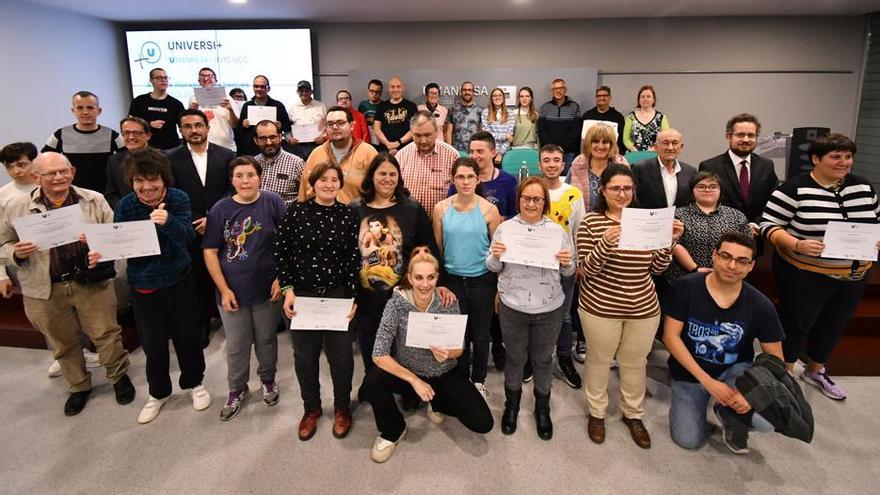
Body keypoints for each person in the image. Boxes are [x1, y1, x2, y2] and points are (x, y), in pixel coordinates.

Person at [0, 152, 134, 416]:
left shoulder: (93, 199)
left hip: (91, 281)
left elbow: (113, 235)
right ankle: (78, 385)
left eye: (63, 171)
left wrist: (99, 247)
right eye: (50, 173)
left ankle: (119, 377)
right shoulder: (16, 206)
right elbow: (2, 243)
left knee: (106, 333)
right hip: (44, 286)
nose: (59, 177)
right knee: (62, 341)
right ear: (36, 176)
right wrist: (16, 252)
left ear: (72, 171)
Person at [760, 133, 879, 401]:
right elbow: (768, 226)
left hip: (854, 274)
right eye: (835, 156)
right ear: (816, 159)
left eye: (848, 157)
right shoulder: (793, 189)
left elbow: (876, 221)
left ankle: (816, 369)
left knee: (833, 324)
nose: (844, 162)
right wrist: (795, 243)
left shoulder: (863, 187)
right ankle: (786, 373)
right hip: (806, 275)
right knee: (797, 324)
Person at [576, 163, 683, 449]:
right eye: (615, 188)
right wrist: (606, 244)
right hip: (600, 306)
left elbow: (658, 268)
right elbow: (585, 270)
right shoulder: (591, 222)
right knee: (599, 361)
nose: (622, 194)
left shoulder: (646, 220)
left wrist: (670, 241)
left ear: (634, 190)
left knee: (635, 362)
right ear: (604, 190)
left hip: (643, 307)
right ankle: (597, 413)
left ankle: (633, 414)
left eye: (627, 188)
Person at [361, 248, 493, 463]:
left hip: (444, 371)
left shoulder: (448, 301)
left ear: (437, 278)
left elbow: (460, 349)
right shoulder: (396, 303)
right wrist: (414, 381)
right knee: (372, 382)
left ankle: (436, 402)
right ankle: (393, 431)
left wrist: (448, 353)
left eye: (430, 277)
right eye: (419, 278)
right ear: (410, 278)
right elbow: (379, 354)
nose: (425, 284)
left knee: (483, 423)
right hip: (409, 372)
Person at [109, 148, 208, 424]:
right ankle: (159, 392)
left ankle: (194, 383)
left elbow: (189, 238)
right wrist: (99, 252)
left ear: (164, 179)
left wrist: (169, 223)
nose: (147, 187)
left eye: (152, 180)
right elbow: (119, 243)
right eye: (140, 181)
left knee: (187, 336)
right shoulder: (126, 205)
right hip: (143, 284)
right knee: (153, 343)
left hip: (179, 279)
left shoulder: (178, 199)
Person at [663, 232, 784, 454]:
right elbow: (670, 337)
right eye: (726, 256)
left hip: (735, 371)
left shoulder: (761, 305)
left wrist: (752, 394)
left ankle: (728, 412)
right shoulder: (685, 287)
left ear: (751, 266)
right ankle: (711, 404)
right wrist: (708, 382)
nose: (732, 265)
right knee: (688, 440)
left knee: (767, 421)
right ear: (714, 256)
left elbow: (776, 359)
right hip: (690, 373)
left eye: (742, 261)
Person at [275, 161, 360, 441]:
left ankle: (341, 408)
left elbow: (352, 260)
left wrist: (352, 297)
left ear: (340, 183)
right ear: (313, 183)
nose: (328, 184)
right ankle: (311, 408)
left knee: (342, 358)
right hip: (304, 296)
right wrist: (288, 289)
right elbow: (282, 253)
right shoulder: (297, 212)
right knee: (305, 358)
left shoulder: (348, 215)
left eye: (333, 179)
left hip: (337, 295)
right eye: (322, 179)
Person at [487, 177, 576, 440]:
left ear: (544, 202)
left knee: (543, 359)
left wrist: (566, 262)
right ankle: (511, 406)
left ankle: (542, 408)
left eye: (537, 199)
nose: (532, 203)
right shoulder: (506, 229)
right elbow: (491, 267)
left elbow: (570, 271)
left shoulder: (557, 232)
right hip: (513, 307)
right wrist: (495, 255)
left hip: (549, 308)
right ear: (519, 200)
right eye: (527, 198)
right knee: (515, 358)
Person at [203, 156, 286, 421]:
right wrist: (224, 290)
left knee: (266, 339)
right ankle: (237, 389)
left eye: (250, 175)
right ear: (232, 179)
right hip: (232, 292)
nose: (245, 180)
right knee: (237, 344)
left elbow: (287, 244)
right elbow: (210, 251)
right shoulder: (221, 209)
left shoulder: (273, 202)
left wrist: (281, 278)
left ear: (259, 176)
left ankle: (268, 380)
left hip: (267, 289)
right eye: (239, 176)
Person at [351, 153, 444, 373]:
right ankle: (373, 387)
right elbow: (347, 252)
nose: (387, 179)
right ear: (371, 176)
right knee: (371, 347)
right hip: (367, 295)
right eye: (382, 173)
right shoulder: (355, 208)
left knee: (405, 347)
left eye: (393, 174)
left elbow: (428, 248)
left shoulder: (411, 208)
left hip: (404, 294)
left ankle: (407, 389)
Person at [433, 157, 503, 399]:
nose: (465, 181)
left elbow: (498, 253)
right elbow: (438, 249)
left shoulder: (489, 210)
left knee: (481, 334)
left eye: (470, 176)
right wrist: (440, 283)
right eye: (460, 177)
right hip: (452, 281)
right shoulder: (441, 208)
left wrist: (497, 289)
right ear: (453, 179)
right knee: (457, 334)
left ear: (478, 178)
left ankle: (479, 380)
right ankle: (460, 380)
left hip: (482, 280)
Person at [167, 108, 236, 346]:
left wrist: (213, 217)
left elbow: (231, 189)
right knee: (196, 279)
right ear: (181, 130)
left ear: (208, 127)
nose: (194, 130)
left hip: (222, 224)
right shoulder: (170, 158)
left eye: (198, 125)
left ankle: (229, 321)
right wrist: (195, 219)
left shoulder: (227, 155)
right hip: (190, 227)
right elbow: (171, 193)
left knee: (226, 273)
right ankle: (202, 324)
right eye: (188, 126)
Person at [538, 144, 584, 388]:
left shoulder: (573, 193)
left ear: (563, 165)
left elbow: (579, 230)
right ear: (540, 165)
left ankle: (564, 358)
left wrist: (578, 262)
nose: (552, 164)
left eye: (556, 159)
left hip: (565, 266)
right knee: (535, 313)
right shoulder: (532, 190)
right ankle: (534, 359)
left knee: (564, 315)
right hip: (537, 265)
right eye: (547, 160)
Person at [699, 113, 779, 232]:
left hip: (757, 234)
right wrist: (737, 227)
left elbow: (774, 201)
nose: (746, 140)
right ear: (728, 136)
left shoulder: (766, 165)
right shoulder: (710, 166)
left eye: (751, 135)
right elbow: (705, 204)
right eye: (740, 135)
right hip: (723, 235)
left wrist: (755, 225)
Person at [667, 172, 751, 282]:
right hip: (685, 277)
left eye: (713, 186)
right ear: (692, 190)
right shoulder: (677, 215)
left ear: (720, 190)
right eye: (701, 186)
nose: (707, 190)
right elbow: (673, 244)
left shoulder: (736, 216)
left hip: (727, 277)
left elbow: (747, 245)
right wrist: (695, 269)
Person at [43, 90, 124, 193]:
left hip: (104, 195)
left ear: (99, 111)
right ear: (73, 111)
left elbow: (126, 162)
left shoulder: (113, 136)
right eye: (80, 108)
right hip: (71, 194)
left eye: (90, 107)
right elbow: (46, 161)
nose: (85, 112)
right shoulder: (59, 135)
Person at [299, 106, 377, 204]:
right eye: (330, 124)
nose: (335, 127)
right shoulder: (316, 154)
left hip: (356, 215)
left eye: (341, 123)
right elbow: (304, 192)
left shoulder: (368, 152)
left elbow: (378, 191)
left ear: (352, 125)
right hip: (319, 216)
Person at [397, 110, 459, 217]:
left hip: (442, 223)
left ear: (436, 131)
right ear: (411, 133)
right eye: (417, 135)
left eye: (427, 135)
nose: (423, 141)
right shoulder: (401, 156)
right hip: (409, 222)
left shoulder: (452, 156)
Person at [450, 132, 518, 219]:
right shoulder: (460, 180)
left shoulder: (509, 181)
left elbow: (515, 215)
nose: (474, 156)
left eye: (479, 151)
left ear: (493, 152)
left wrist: (499, 219)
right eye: (471, 151)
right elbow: (449, 211)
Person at [1, 142, 38, 297]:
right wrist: (2, 275)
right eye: (9, 167)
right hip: (24, 263)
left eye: (21, 165)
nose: (16, 171)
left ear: (34, 161)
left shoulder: (53, 186)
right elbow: (2, 240)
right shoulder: (3, 196)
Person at [568, 123, 628, 212]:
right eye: (595, 141)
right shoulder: (576, 166)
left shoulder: (623, 167)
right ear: (589, 143)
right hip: (582, 222)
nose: (600, 146)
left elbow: (630, 200)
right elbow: (567, 199)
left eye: (605, 142)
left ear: (612, 145)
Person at [632, 129, 696, 209]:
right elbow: (633, 200)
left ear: (681, 147)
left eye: (674, 143)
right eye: (665, 143)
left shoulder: (690, 172)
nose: (670, 147)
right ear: (655, 147)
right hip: (648, 220)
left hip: (680, 220)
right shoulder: (640, 169)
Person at [128, 68, 185, 150]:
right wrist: (149, 124)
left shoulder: (176, 104)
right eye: (159, 78)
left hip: (171, 148)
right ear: (151, 80)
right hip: (146, 148)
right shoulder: (139, 101)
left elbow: (183, 127)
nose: (163, 80)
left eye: (165, 78)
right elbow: (131, 123)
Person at [236, 75, 292, 157]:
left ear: (268, 89)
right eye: (256, 86)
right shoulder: (247, 106)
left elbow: (287, 126)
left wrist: (280, 125)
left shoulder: (278, 105)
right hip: (251, 150)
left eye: (262, 87)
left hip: (272, 148)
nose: (259, 89)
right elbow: (239, 131)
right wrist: (243, 125)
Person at [252, 120, 304, 205]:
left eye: (272, 137)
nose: (269, 142)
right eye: (263, 138)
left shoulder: (296, 163)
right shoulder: (252, 164)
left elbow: (306, 195)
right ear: (256, 140)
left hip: (285, 216)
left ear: (280, 137)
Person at [188, 67, 239, 152]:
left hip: (226, 147)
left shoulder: (227, 98)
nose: (206, 78)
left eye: (210, 76)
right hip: (202, 148)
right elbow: (189, 124)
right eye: (202, 76)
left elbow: (235, 125)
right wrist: (193, 110)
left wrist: (230, 110)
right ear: (199, 81)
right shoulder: (193, 99)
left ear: (216, 80)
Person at [105, 116, 152, 207]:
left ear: (148, 136)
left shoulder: (163, 158)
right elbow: (111, 194)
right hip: (126, 214)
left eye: (136, 133)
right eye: (126, 133)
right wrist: (125, 210)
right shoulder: (114, 160)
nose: (131, 137)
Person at [537, 79, 581, 171]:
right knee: (549, 177)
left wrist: (561, 147)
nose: (558, 91)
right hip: (549, 152)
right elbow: (541, 130)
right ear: (552, 91)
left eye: (561, 88)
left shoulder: (575, 107)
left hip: (568, 152)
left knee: (567, 180)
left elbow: (576, 131)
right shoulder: (545, 107)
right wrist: (552, 147)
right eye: (555, 88)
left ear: (565, 90)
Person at [373, 77, 418, 155]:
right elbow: (376, 128)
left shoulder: (411, 106)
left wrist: (399, 142)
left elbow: (415, 128)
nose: (395, 89)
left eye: (398, 86)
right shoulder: (381, 106)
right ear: (388, 89)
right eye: (392, 87)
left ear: (403, 88)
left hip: (407, 149)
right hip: (385, 150)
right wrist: (387, 144)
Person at [623, 85, 670, 153]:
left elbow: (666, 138)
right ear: (638, 100)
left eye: (648, 96)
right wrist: (633, 149)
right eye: (642, 97)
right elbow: (626, 139)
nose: (645, 99)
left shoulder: (661, 117)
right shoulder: (630, 117)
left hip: (655, 155)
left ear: (653, 100)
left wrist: (654, 149)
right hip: (634, 155)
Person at [287, 80, 326, 160]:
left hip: (318, 145)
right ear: (297, 92)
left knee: (318, 169)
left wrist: (324, 137)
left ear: (311, 92)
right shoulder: (292, 108)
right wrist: (289, 139)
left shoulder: (321, 106)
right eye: (301, 91)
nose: (304, 93)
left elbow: (329, 125)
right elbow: (287, 128)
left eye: (307, 90)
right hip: (298, 147)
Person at [582, 85, 626, 154]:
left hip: (611, 156)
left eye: (605, 95)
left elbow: (621, 140)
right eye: (599, 96)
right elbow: (584, 139)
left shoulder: (618, 117)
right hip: (590, 156)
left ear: (610, 98)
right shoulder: (587, 116)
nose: (602, 98)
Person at [446, 81, 484, 153]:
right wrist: (449, 150)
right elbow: (448, 132)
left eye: (469, 90)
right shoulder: (452, 110)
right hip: (456, 150)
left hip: (474, 151)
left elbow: (482, 132)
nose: (467, 92)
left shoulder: (480, 110)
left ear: (473, 92)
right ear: (461, 92)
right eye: (464, 90)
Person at [481, 88, 516, 164]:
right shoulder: (485, 112)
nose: (497, 97)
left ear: (503, 98)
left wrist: (500, 153)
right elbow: (487, 135)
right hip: (490, 152)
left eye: (500, 95)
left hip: (506, 153)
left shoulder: (510, 113)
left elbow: (510, 137)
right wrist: (505, 136)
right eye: (494, 96)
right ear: (491, 98)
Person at [358, 79, 383, 146]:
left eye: (377, 92)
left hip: (380, 139)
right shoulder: (362, 105)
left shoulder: (384, 105)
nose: (374, 94)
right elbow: (359, 123)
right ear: (368, 91)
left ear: (381, 93)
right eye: (372, 91)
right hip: (366, 137)